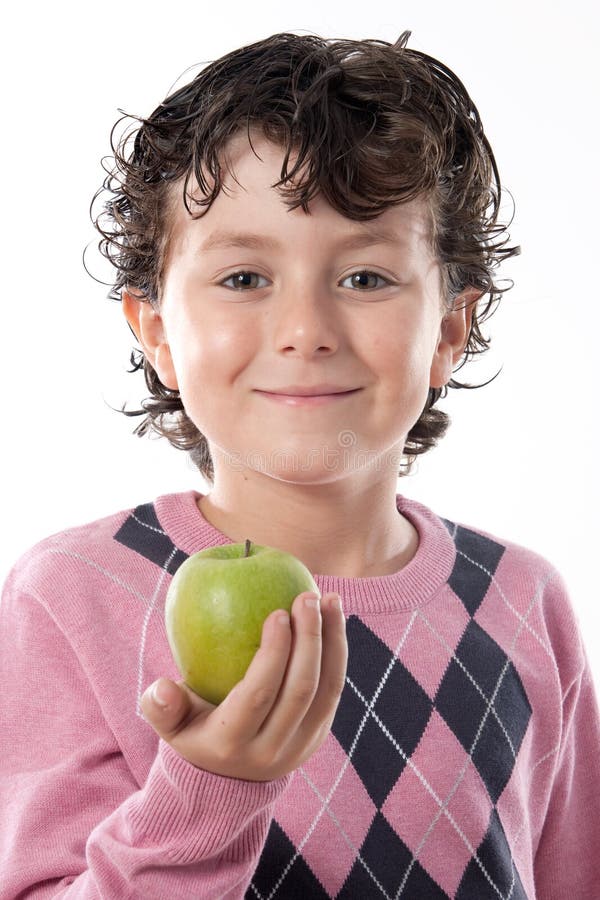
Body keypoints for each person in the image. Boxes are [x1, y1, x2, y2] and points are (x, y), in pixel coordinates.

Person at [1, 29, 598, 900]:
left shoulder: (520, 602)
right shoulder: (75, 598)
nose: (305, 329)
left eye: (365, 278)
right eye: (244, 279)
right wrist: (209, 794)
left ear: (450, 329)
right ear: (156, 331)